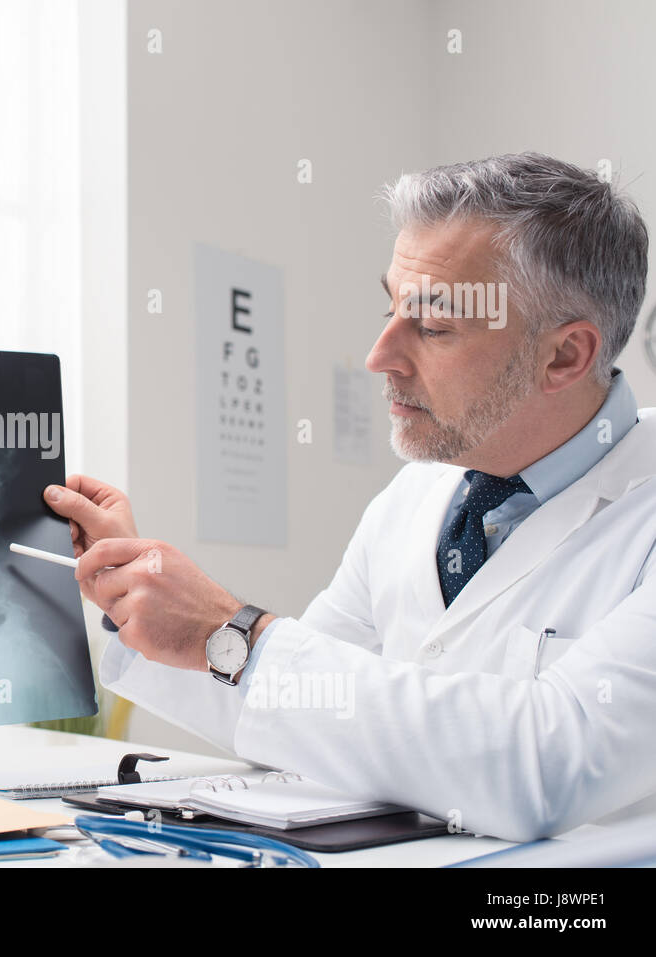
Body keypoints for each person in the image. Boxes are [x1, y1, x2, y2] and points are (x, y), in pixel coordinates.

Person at [47, 152, 656, 843]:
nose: (379, 354)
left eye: (432, 325)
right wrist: (134, 589)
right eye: (390, 308)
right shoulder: (414, 499)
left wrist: (233, 633)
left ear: (565, 356)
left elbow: (549, 763)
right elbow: (291, 715)